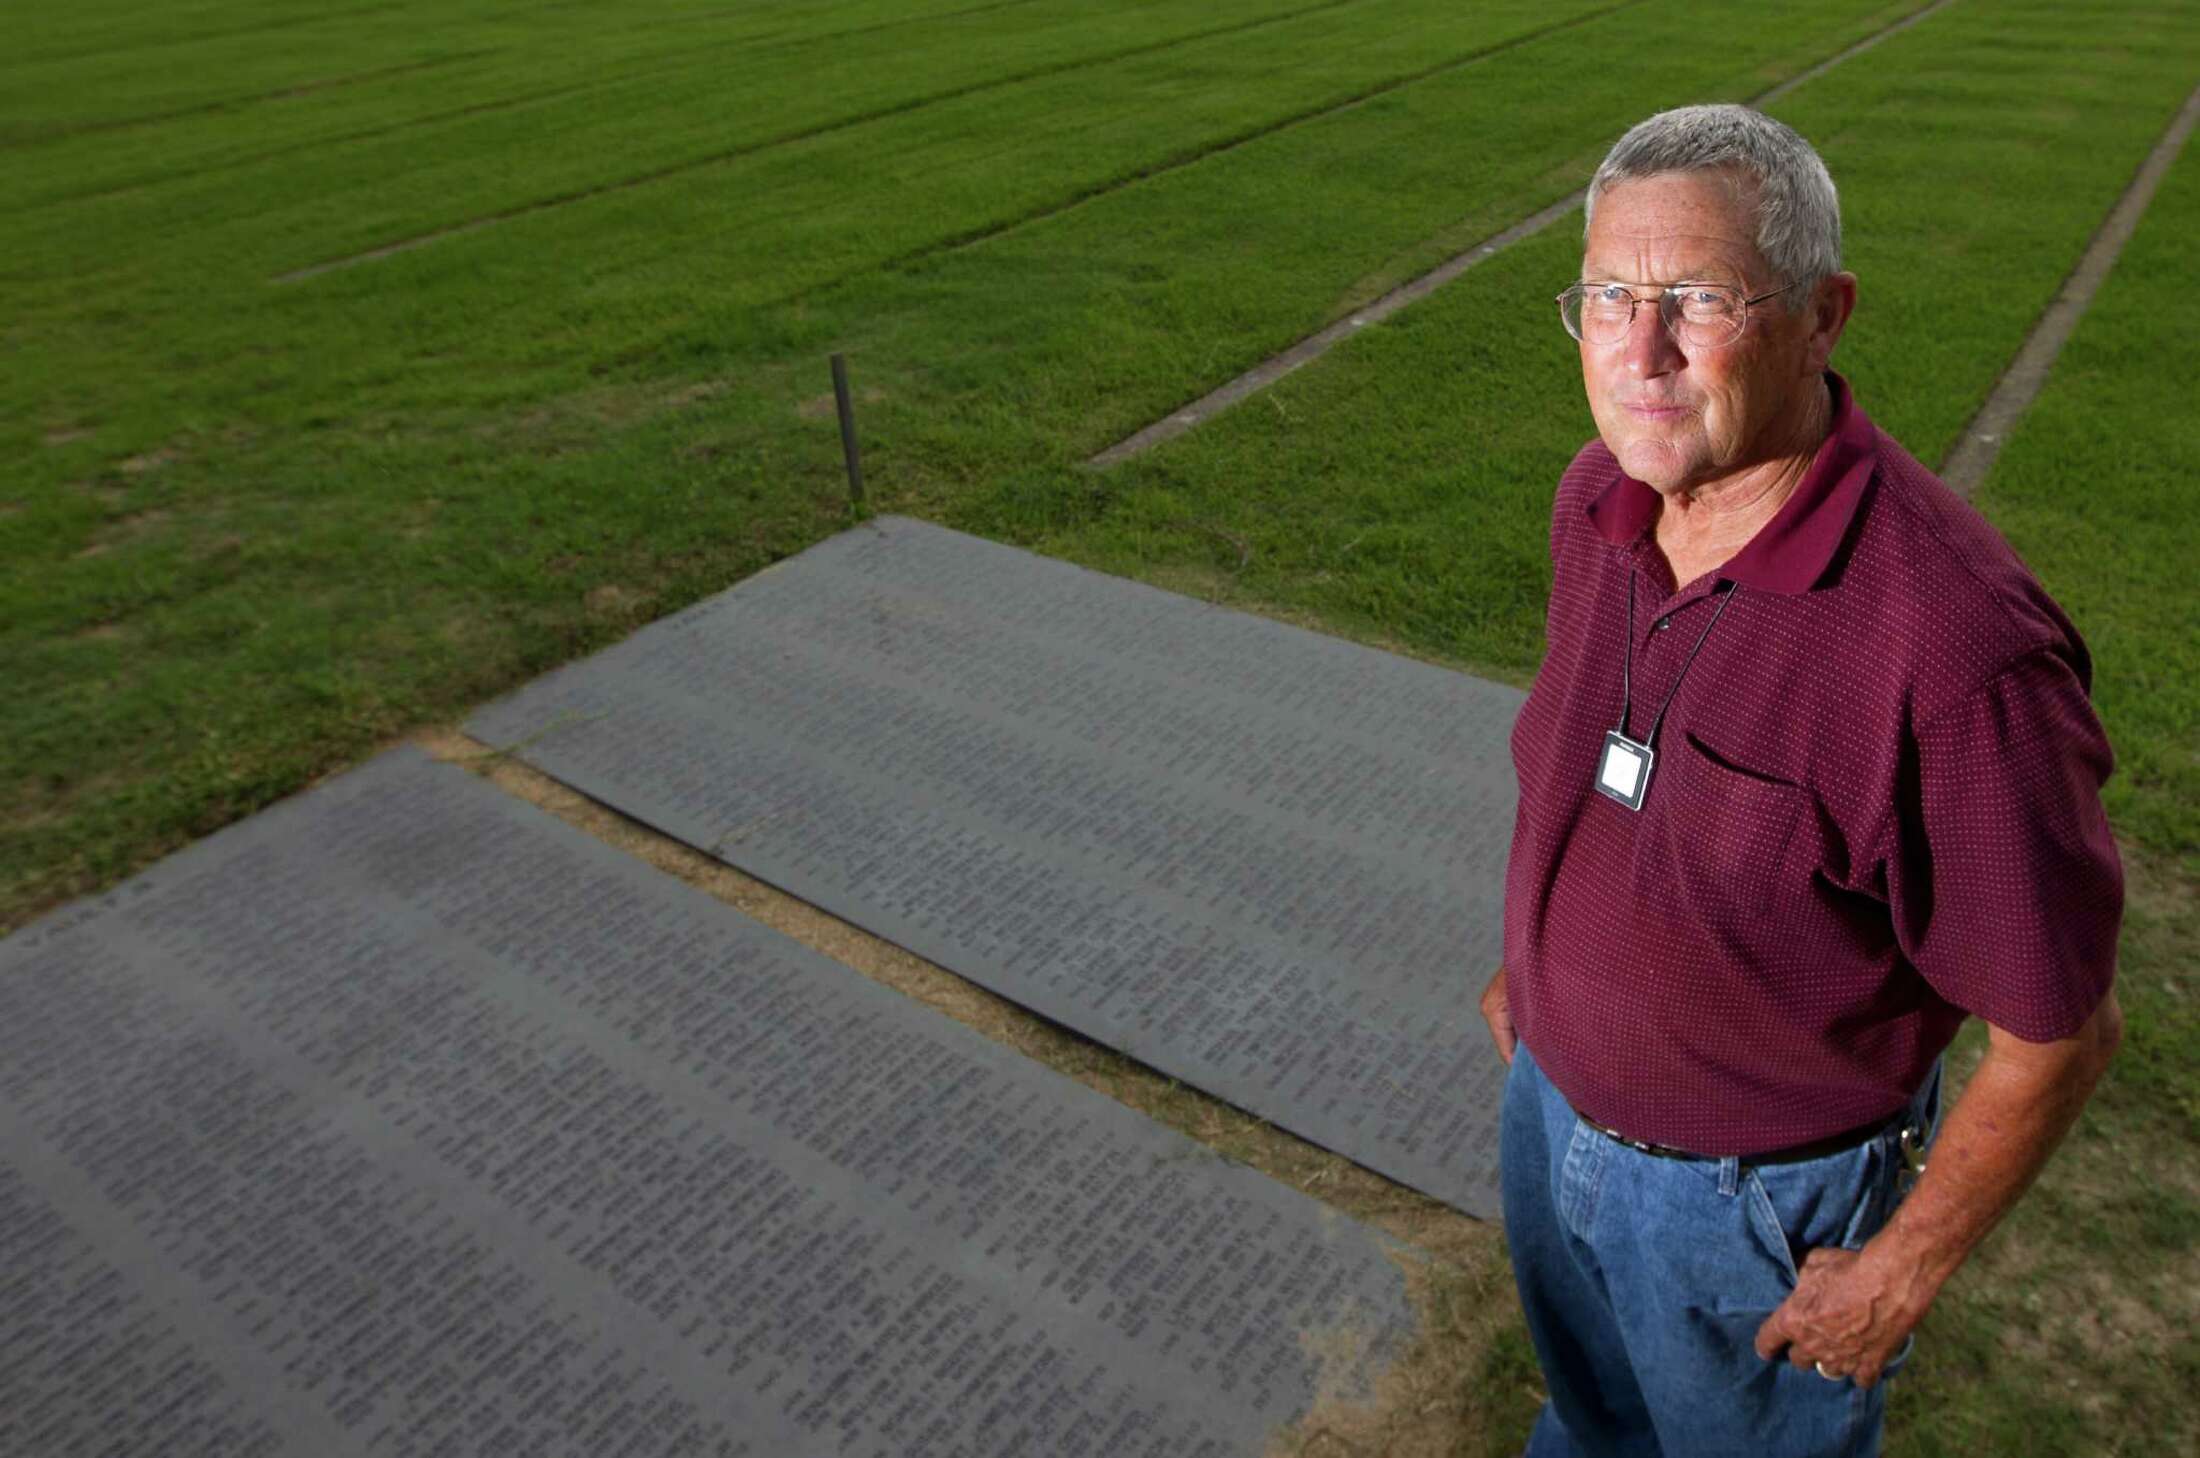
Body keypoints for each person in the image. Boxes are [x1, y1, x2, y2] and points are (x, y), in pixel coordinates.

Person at [1479, 104, 2124, 1457]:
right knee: (1592, 1425)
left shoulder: (1957, 653)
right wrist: (1534, 969)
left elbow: (2060, 1032)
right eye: (1606, 297)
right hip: (1548, 1113)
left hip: (1748, 1206)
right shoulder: (1597, 502)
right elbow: (1591, 772)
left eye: (1697, 299)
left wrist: (1899, 1266)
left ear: (1824, 315)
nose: (1640, 354)